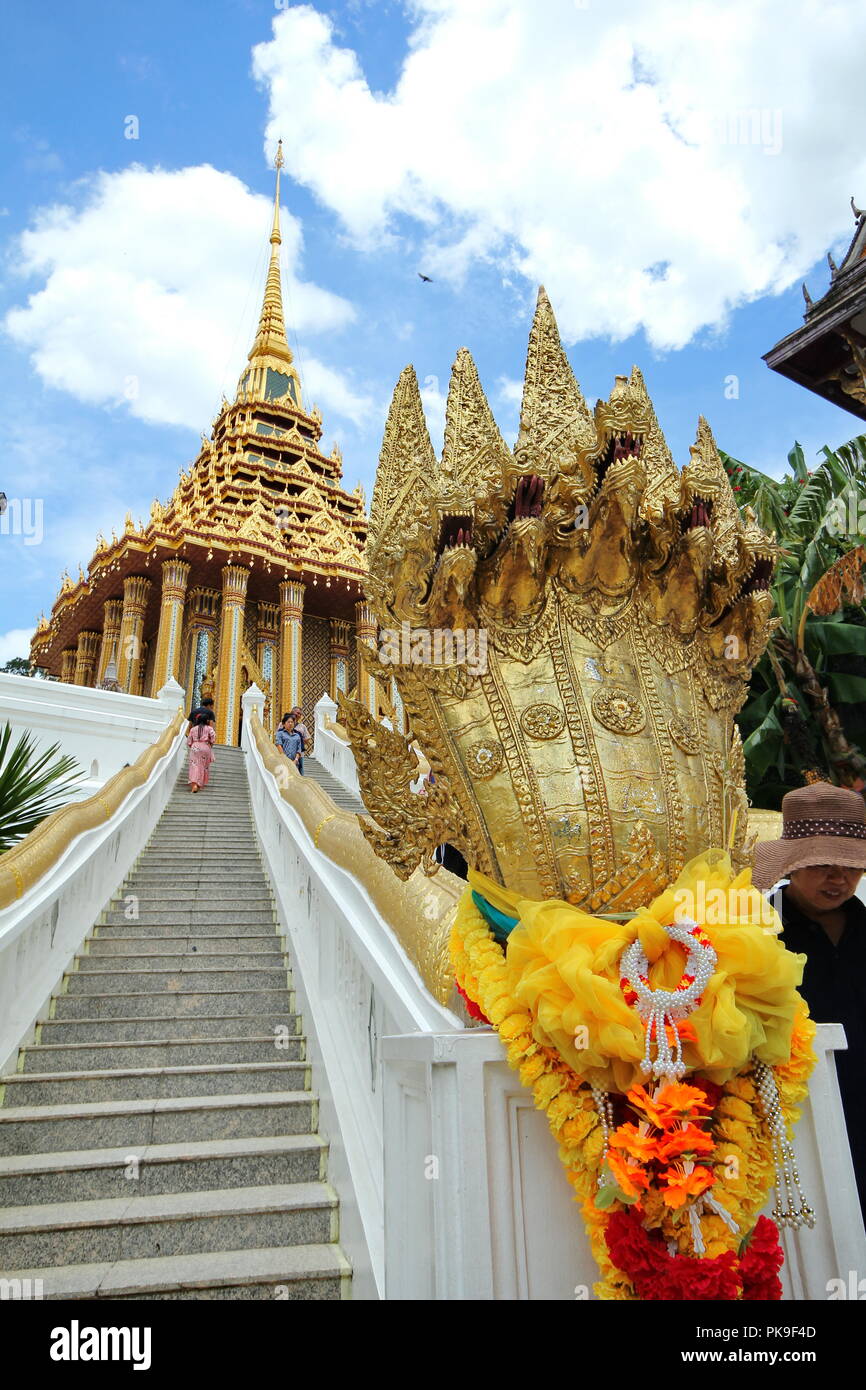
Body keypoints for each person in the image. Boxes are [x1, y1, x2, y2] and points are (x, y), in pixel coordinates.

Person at [753, 781, 866, 1229]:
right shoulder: (756, 929)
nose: (838, 878)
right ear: (791, 864)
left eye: (850, 866)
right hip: (798, 1106)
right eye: (821, 864)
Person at [187, 711, 216, 792]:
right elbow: (213, 737)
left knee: (194, 765)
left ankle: (194, 784)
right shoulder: (209, 728)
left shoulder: (193, 729)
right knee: (203, 766)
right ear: (206, 721)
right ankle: (200, 783)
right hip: (205, 747)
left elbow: (189, 740)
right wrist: (210, 743)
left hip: (195, 747)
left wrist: (192, 745)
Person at [290, 706, 309, 774]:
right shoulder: (283, 724)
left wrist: (297, 742)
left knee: (300, 771)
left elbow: (307, 739)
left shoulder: (302, 727)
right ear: (292, 712)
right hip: (287, 752)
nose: (298, 715)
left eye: (300, 714)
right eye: (297, 713)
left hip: (299, 753)